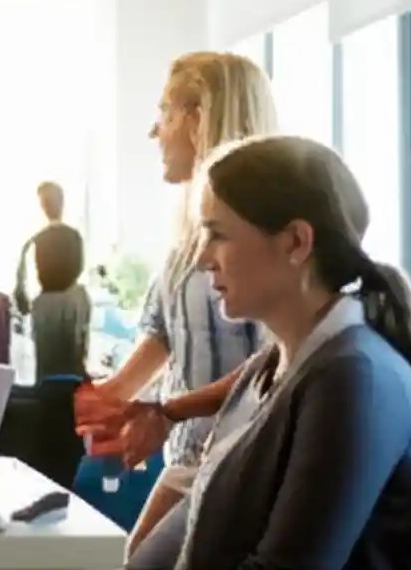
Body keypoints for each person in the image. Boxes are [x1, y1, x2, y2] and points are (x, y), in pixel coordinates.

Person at [137, 134, 411, 569]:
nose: (203, 259)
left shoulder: (355, 379)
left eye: (218, 234)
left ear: (297, 243)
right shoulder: (273, 368)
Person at [74, 52, 278, 553]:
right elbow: (163, 338)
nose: (154, 132)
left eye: (165, 113)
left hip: (236, 460)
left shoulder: (256, 233)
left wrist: (169, 409)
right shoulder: (186, 240)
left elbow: (275, 362)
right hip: (190, 456)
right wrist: (107, 401)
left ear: (199, 118)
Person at [13, 181, 90, 380]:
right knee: (73, 361)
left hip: (46, 305)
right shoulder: (73, 237)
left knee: (48, 365)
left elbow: (21, 289)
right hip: (70, 302)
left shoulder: (35, 241)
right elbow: (79, 266)